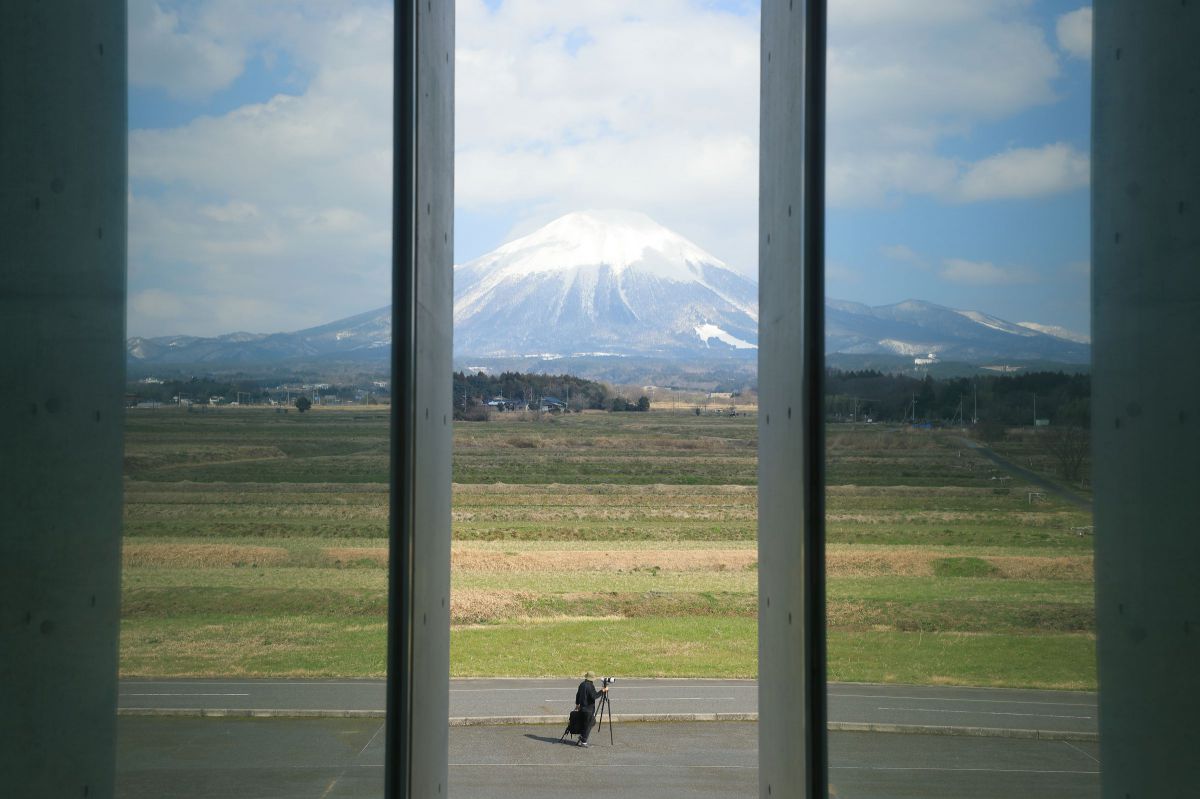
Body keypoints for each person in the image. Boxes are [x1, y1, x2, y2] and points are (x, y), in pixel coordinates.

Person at [573, 670, 608, 747]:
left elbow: (578, 694)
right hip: (588, 709)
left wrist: (577, 704)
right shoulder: (590, 686)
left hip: (582, 708)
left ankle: (582, 737)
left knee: (589, 723)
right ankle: (583, 741)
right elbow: (594, 696)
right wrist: (602, 691)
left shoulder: (582, 684)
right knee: (589, 723)